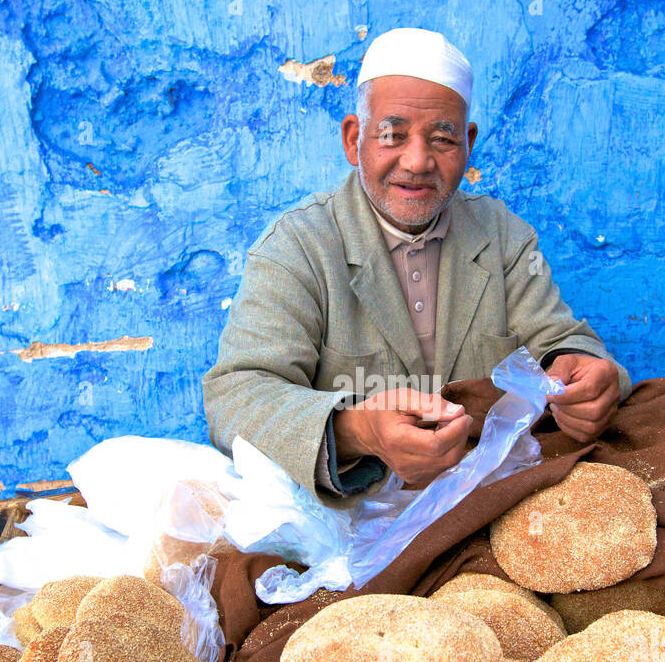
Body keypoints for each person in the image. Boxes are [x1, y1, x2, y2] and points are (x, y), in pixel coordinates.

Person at [203, 27, 631, 501]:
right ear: (354, 139)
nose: (418, 160)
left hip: (487, 501)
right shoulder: (299, 246)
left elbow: (561, 343)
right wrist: (357, 431)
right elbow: (237, 395)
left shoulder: (503, 236)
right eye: (393, 134)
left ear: (467, 144)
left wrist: (583, 374)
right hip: (354, 520)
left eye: (443, 139)